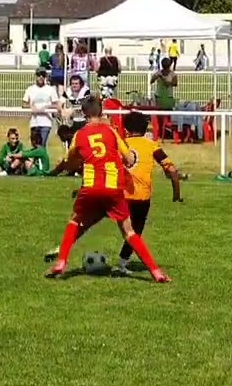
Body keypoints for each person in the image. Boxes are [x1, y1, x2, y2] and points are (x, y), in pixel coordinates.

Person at [44, 96, 169, 283]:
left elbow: (69, 163)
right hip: (113, 188)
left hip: (90, 187)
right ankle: (156, 272)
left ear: (84, 113)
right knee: (129, 232)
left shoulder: (80, 135)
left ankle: (62, 261)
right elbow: (128, 159)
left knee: (75, 221)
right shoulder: (111, 131)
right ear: (101, 112)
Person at [115, 111, 183, 274]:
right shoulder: (151, 145)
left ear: (126, 128)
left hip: (119, 195)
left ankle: (66, 248)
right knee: (135, 232)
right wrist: (176, 193)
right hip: (141, 198)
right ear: (145, 128)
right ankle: (122, 263)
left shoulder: (121, 144)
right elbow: (172, 170)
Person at [22, 68, 61, 148]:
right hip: (34, 122)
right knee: (35, 146)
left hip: (46, 122)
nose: (41, 77)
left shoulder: (50, 90)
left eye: (43, 75)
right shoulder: (30, 89)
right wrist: (32, 107)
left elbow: (56, 104)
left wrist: (46, 107)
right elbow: (24, 104)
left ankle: (43, 160)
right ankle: (37, 160)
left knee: (42, 145)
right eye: (39, 75)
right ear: (35, 76)